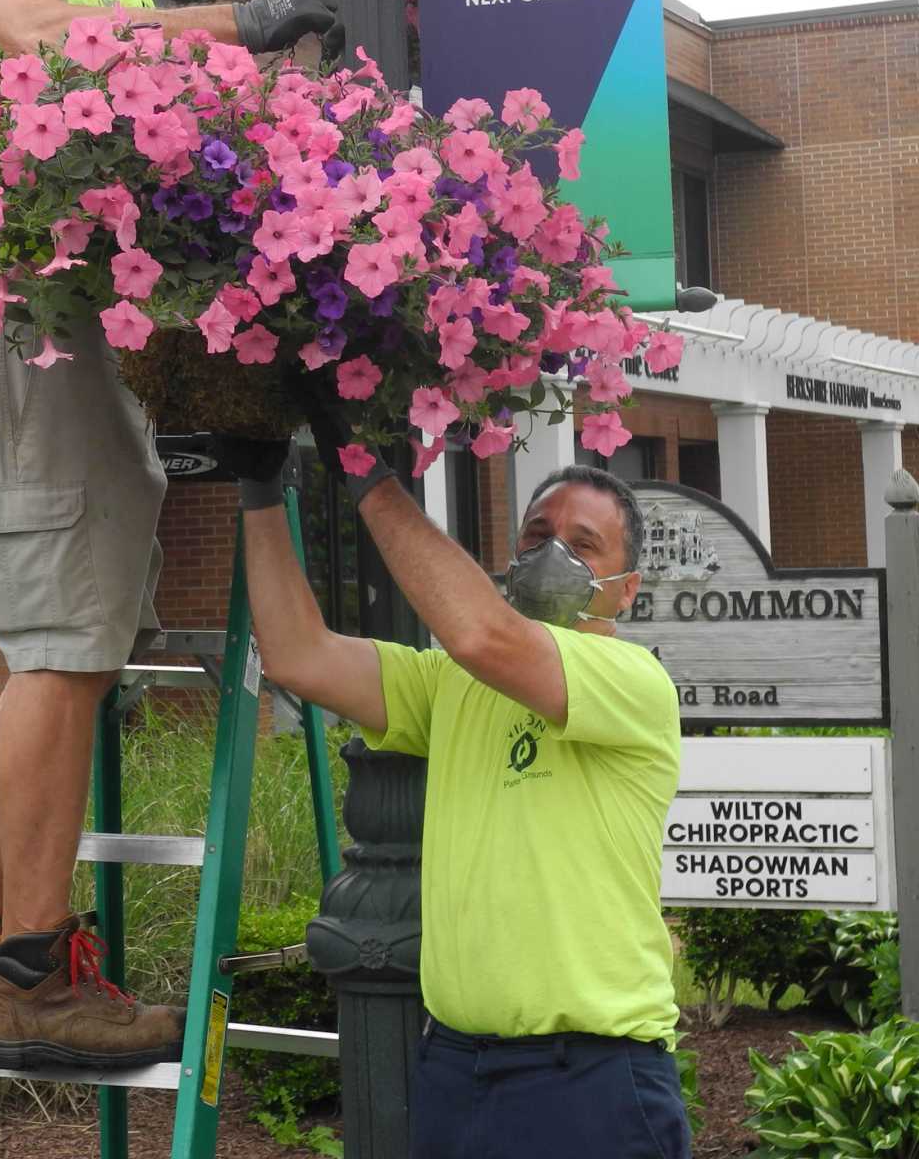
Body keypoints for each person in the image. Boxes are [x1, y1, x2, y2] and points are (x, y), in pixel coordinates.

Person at [0, 0, 346, 1072]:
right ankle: (36, 976)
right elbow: (30, 43)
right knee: (64, 651)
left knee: (63, 644)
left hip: (72, 331)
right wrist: (249, 17)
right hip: (18, 320)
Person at [223, 429, 691, 1159]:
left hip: (592, 1077)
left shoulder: (633, 682)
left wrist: (365, 473)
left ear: (626, 589)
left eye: (583, 542)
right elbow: (297, 654)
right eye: (537, 534)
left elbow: (481, 634)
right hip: (455, 1071)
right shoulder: (451, 684)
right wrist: (259, 495)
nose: (551, 554)